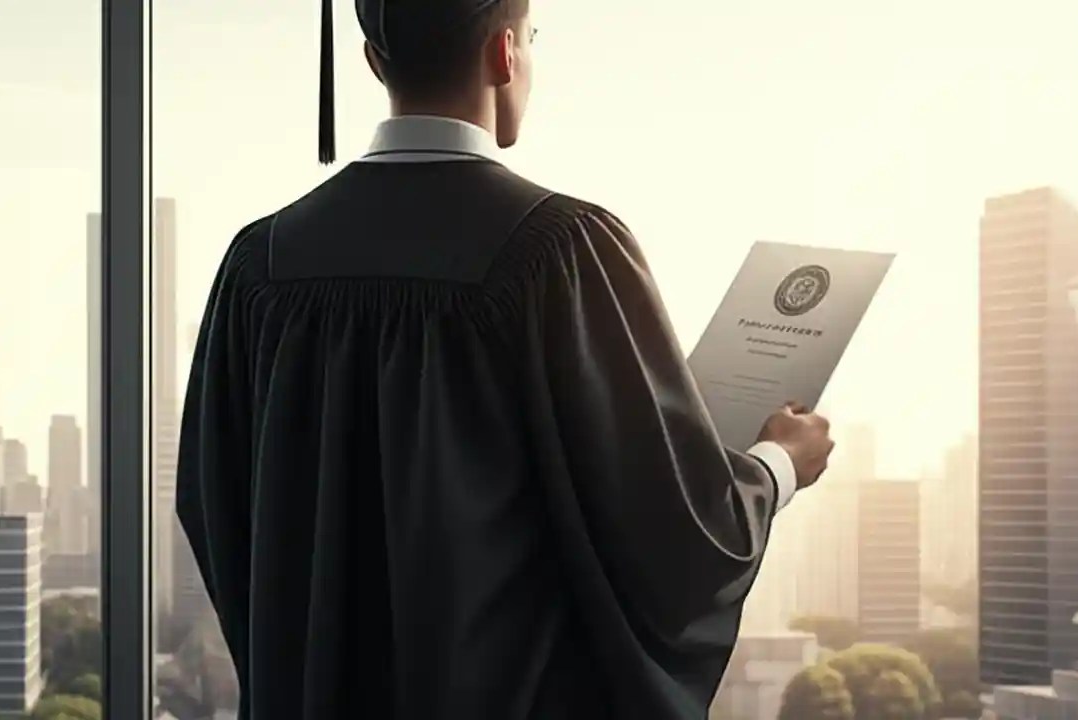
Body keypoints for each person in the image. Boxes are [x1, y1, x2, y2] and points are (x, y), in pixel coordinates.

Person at [175, 0, 836, 718]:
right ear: (504, 54)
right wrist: (776, 466)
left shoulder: (259, 265)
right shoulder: (562, 248)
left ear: (373, 62)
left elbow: (214, 506)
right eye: (531, 38)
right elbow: (672, 534)